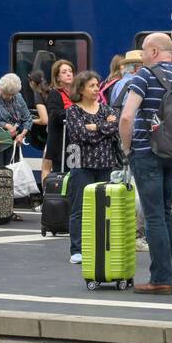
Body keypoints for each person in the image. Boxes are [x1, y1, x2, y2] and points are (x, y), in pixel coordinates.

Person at [120, 32, 172, 294]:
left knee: (154, 214)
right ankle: (164, 274)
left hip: (147, 152)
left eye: (143, 51)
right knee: (164, 211)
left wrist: (127, 147)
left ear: (154, 51)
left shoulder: (144, 75)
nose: (142, 56)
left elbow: (126, 118)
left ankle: (161, 279)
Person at [65, 71, 121, 265]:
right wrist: (104, 127)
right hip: (80, 164)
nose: (97, 88)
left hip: (105, 164)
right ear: (80, 89)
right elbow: (79, 135)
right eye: (92, 86)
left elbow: (115, 129)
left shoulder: (107, 109)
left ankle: (102, 246)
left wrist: (94, 127)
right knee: (79, 208)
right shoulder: (73, 111)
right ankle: (77, 249)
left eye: (97, 85)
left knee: (104, 209)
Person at [0, 73, 33, 167]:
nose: (10, 97)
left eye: (12, 95)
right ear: (1, 88)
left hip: (13, 143)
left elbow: (28, 119)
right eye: (7, 94)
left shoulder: (18, 96)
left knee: (13, 171)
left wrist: (22, 135)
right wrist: (6, 125)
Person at [42, 59, 75, 184]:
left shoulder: (76, 93)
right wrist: (76, 111)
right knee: (61, 176)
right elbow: (56, 115)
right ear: (57, 77)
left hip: (74, 143)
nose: (69, 74)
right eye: (64, 72)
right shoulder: (55, 94)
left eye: (70, 71)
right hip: (60, 142)